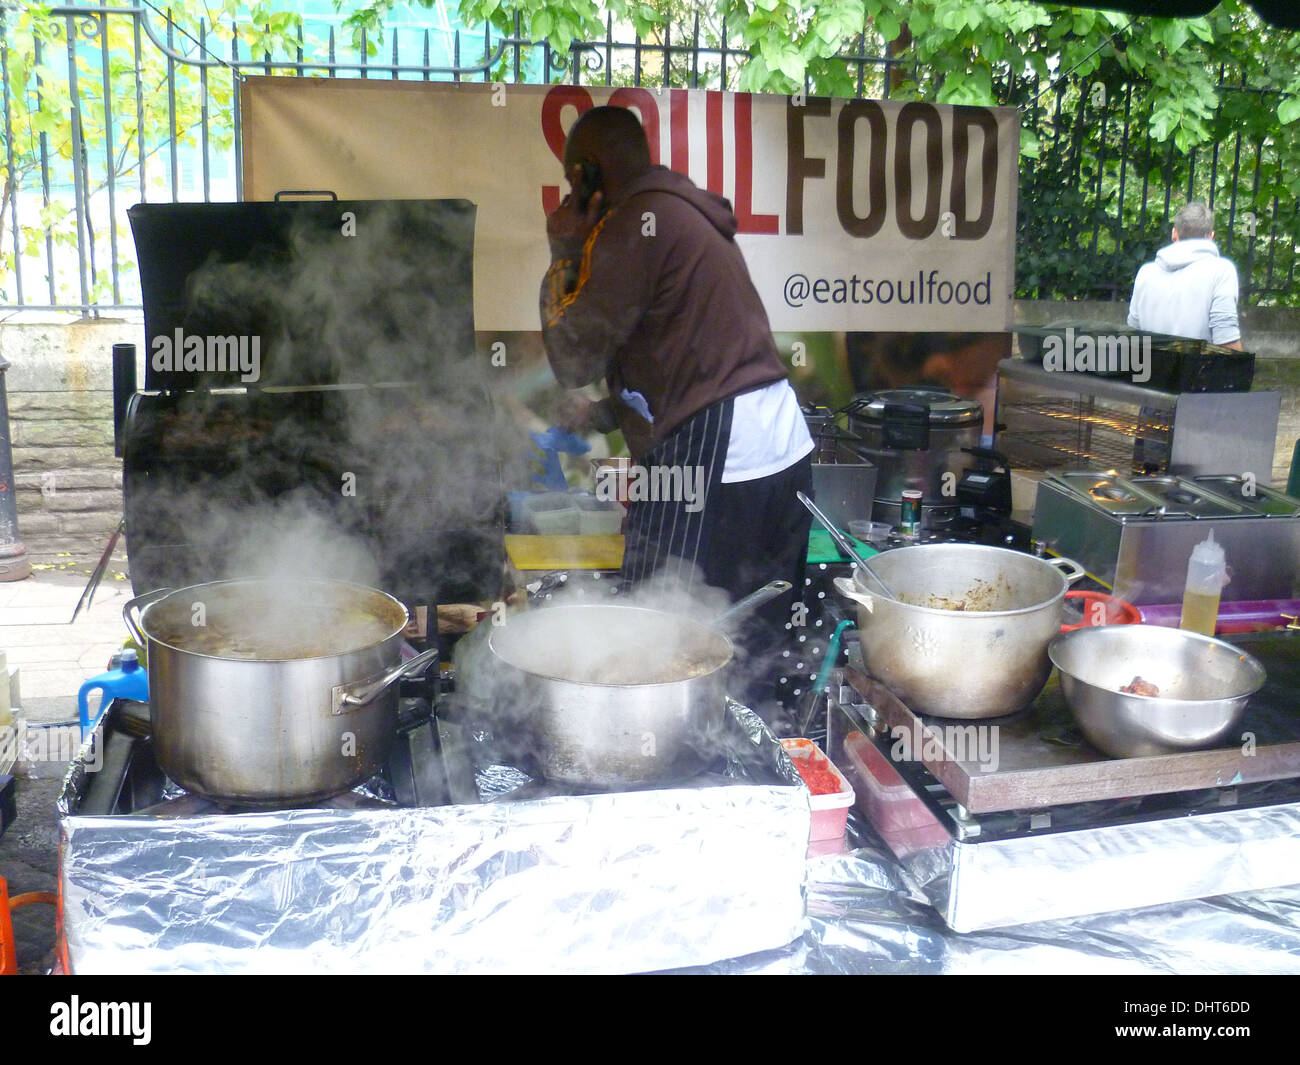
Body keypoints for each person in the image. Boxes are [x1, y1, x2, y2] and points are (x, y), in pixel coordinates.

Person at [538, 105, 814, 699]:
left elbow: (573, 358)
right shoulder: (683, 213)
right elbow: (681, 355)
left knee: (660, 624)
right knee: (753, 641)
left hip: (718, 454)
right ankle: (757, 765)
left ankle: (666, 766)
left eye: (571, 181)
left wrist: (562, 251)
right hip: (779, 448)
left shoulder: (634, 223)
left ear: (587, 174)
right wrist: (603, 414)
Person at [1127, 201, 1244, 350]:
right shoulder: (1221, 270)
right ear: (1211, 236)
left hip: (1149, 369)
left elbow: (1133, 332)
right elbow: (1226, 336)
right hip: (1197, 369)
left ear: (1174, 233)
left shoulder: (1146, 272)